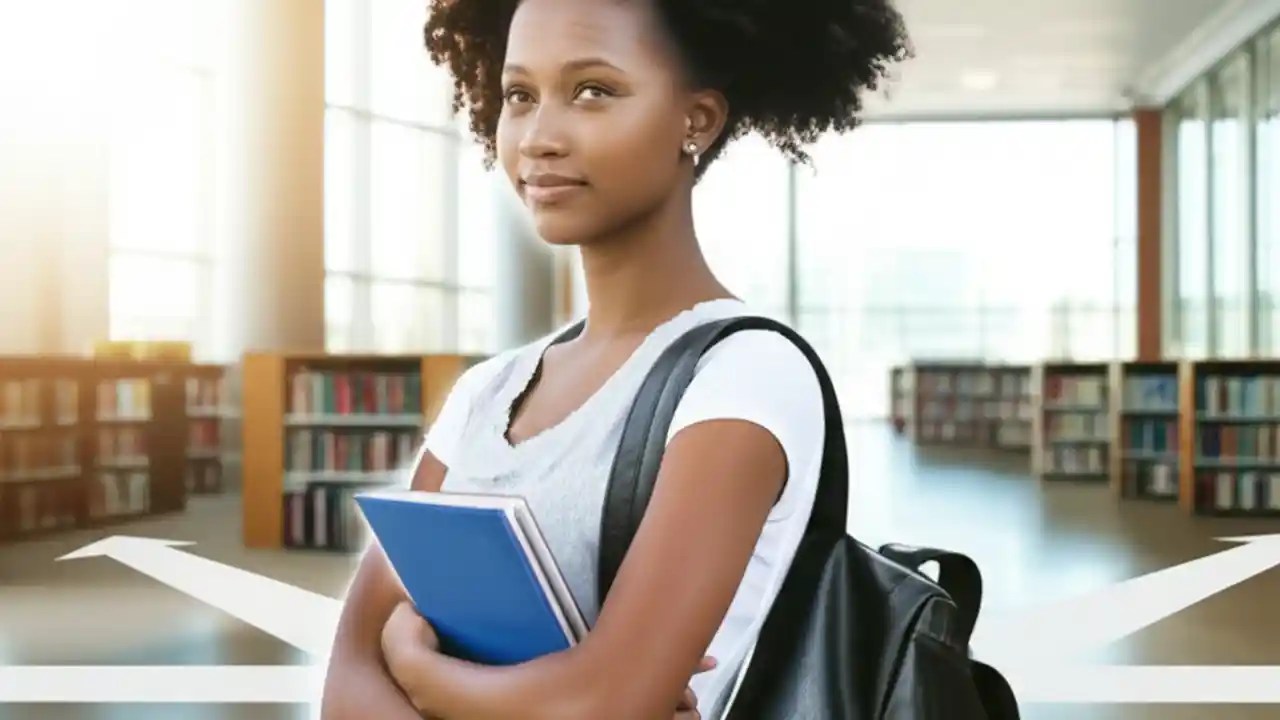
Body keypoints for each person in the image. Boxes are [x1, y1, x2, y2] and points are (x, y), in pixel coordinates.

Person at [320, 0, 909, 717]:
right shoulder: (486, 392)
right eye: (519, 96)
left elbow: (605, 702)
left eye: (593, 91)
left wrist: (421, 675)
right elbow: (348, 681)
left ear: (697, 120)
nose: (538, 137)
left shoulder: (744, 375)